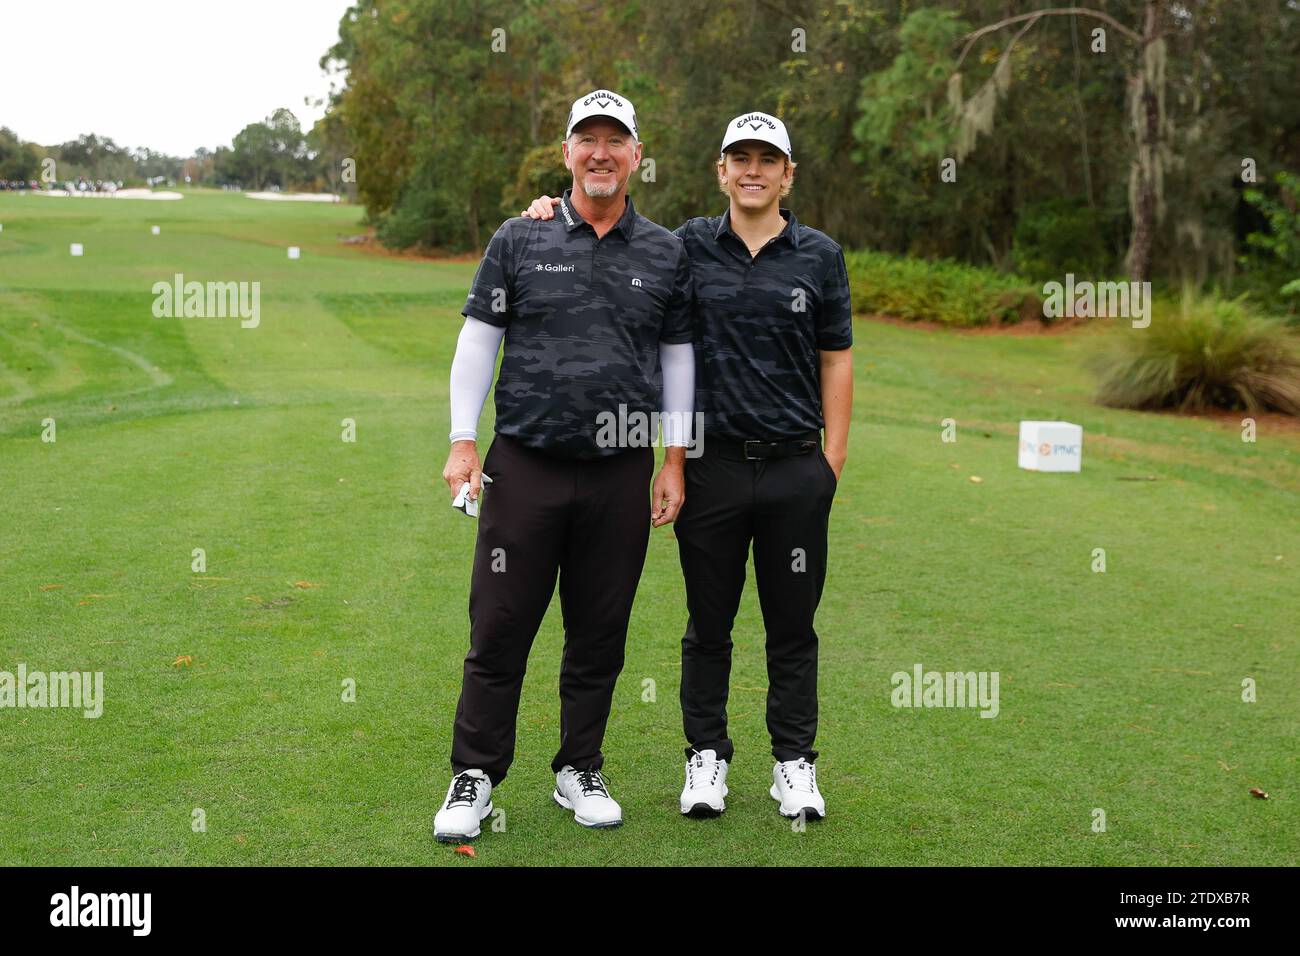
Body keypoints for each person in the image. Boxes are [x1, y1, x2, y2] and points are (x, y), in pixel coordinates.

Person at [522, 110, 853, 822]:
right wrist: (547, 211)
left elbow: (836, 356)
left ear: (788, 174)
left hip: (796, 466)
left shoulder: (819, 254)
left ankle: (794, 764)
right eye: (741, 157)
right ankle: (707, 757)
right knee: (709, 625)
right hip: (712, 467)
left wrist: (832, 458)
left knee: (793, 625)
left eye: (769, 159)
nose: (754, 170)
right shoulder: (686, 247)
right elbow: (614, 238)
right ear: (721, 170)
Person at [433, 89, 696, 842]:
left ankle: (578, 767)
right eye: (589, 140)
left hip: (619, 470)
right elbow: (478, 341)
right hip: (527, 465)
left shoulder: (666, 251)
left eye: (617, 141)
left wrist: (674, 460)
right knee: (500, 628)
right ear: (567, 153)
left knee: (600, 633)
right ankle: (475, 775)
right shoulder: (520, 236)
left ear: (637, 155)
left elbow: (679, 360)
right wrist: (461, 439)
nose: (602, 153)